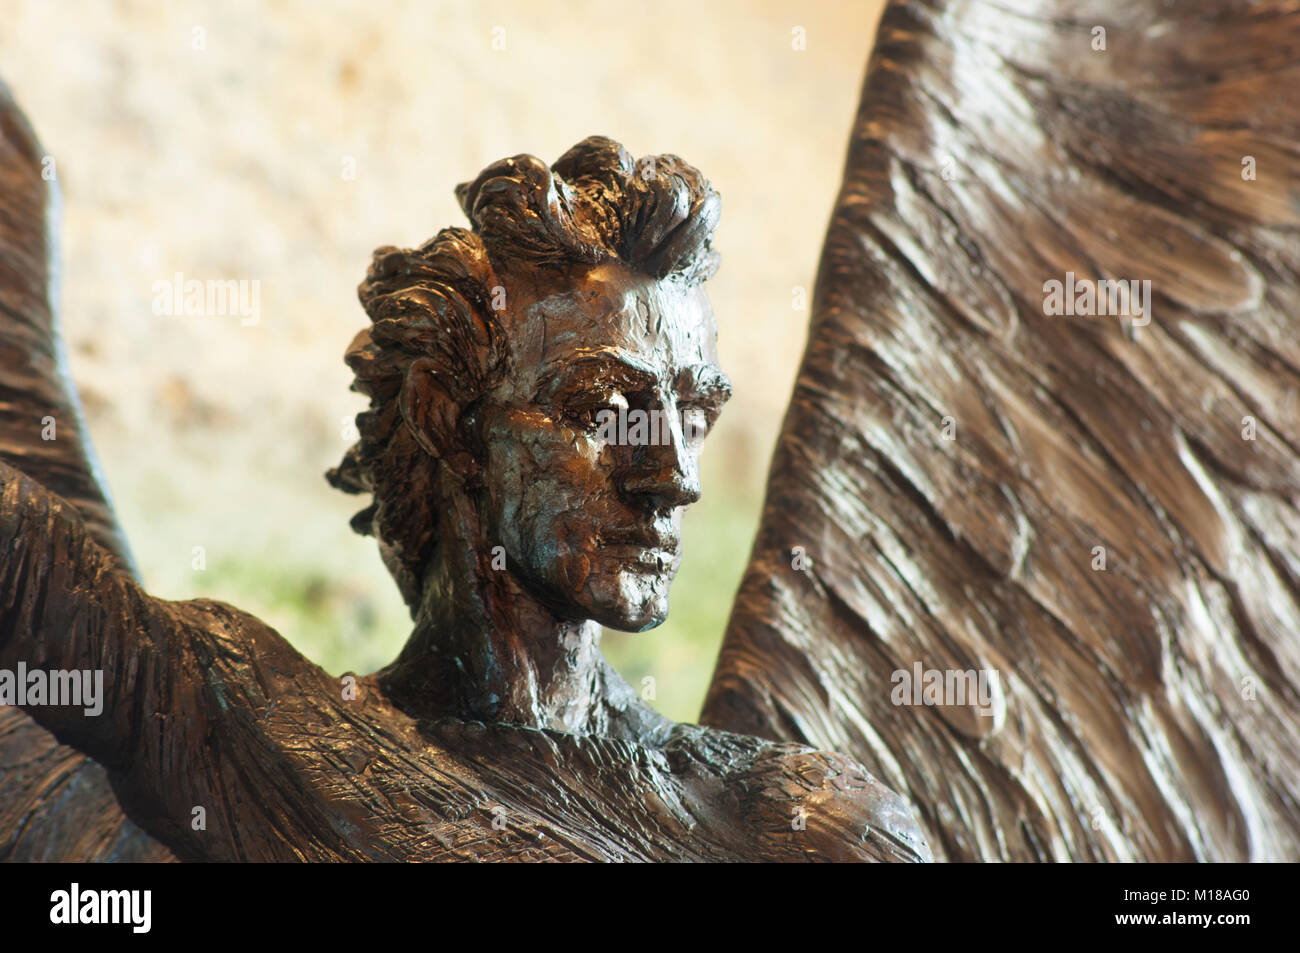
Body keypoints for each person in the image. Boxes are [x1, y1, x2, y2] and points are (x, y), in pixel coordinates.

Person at [0, 137, 930, 862]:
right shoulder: (255, 731)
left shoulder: (801, 823)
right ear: (451, 421)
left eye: (692, 416)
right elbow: (32, 561)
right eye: (605, 410)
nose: (674, 476)